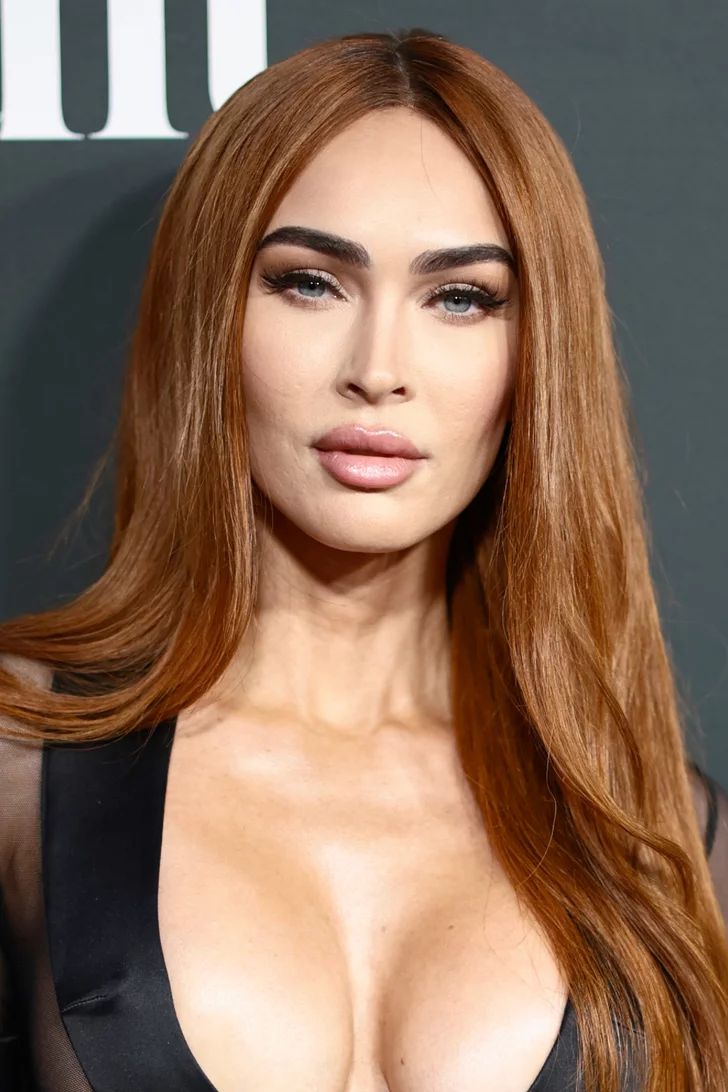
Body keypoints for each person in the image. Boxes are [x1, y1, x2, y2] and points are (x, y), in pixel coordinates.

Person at [0, 26, 726, 1092]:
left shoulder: (662, 832)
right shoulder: (22, 753)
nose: (378, 369)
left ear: (535, 356)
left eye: (460, 297)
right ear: (210, 315)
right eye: (308, 282)